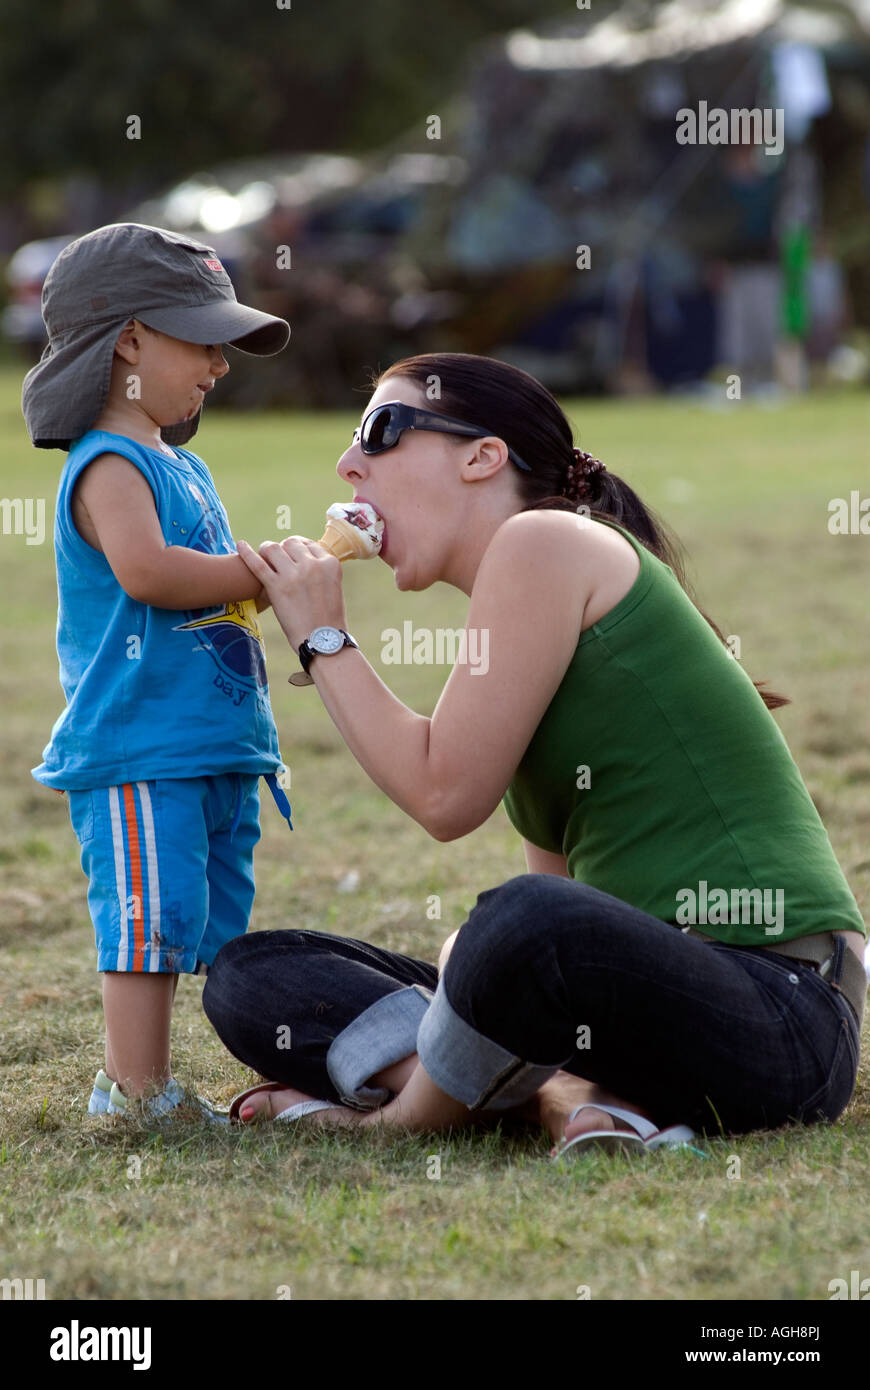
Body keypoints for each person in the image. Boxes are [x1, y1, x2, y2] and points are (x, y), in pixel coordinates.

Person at [204, 351, 866, 1155]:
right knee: (254, 972)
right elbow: (549, 931)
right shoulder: (521, 622)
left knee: (519, 922)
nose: (348, 465)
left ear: (483, 457)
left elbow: (448, 802)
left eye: (381, 432)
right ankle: (567, 1100)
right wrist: (475, 971)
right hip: (630, 1023)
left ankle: (404, 1117)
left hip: (780, 1018)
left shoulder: (548, 543)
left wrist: (322, 638)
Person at [22, 223, 292, 1120]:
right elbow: (149, 573)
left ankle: (194, 1077)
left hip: (209, 742)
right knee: (145, 927)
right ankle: (135, 1094)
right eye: (203, 341)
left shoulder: (183, 461)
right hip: (142, 748)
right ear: (130, 339)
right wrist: (264, 573)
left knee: (200, 920)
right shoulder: (107, 462)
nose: (219, 365)